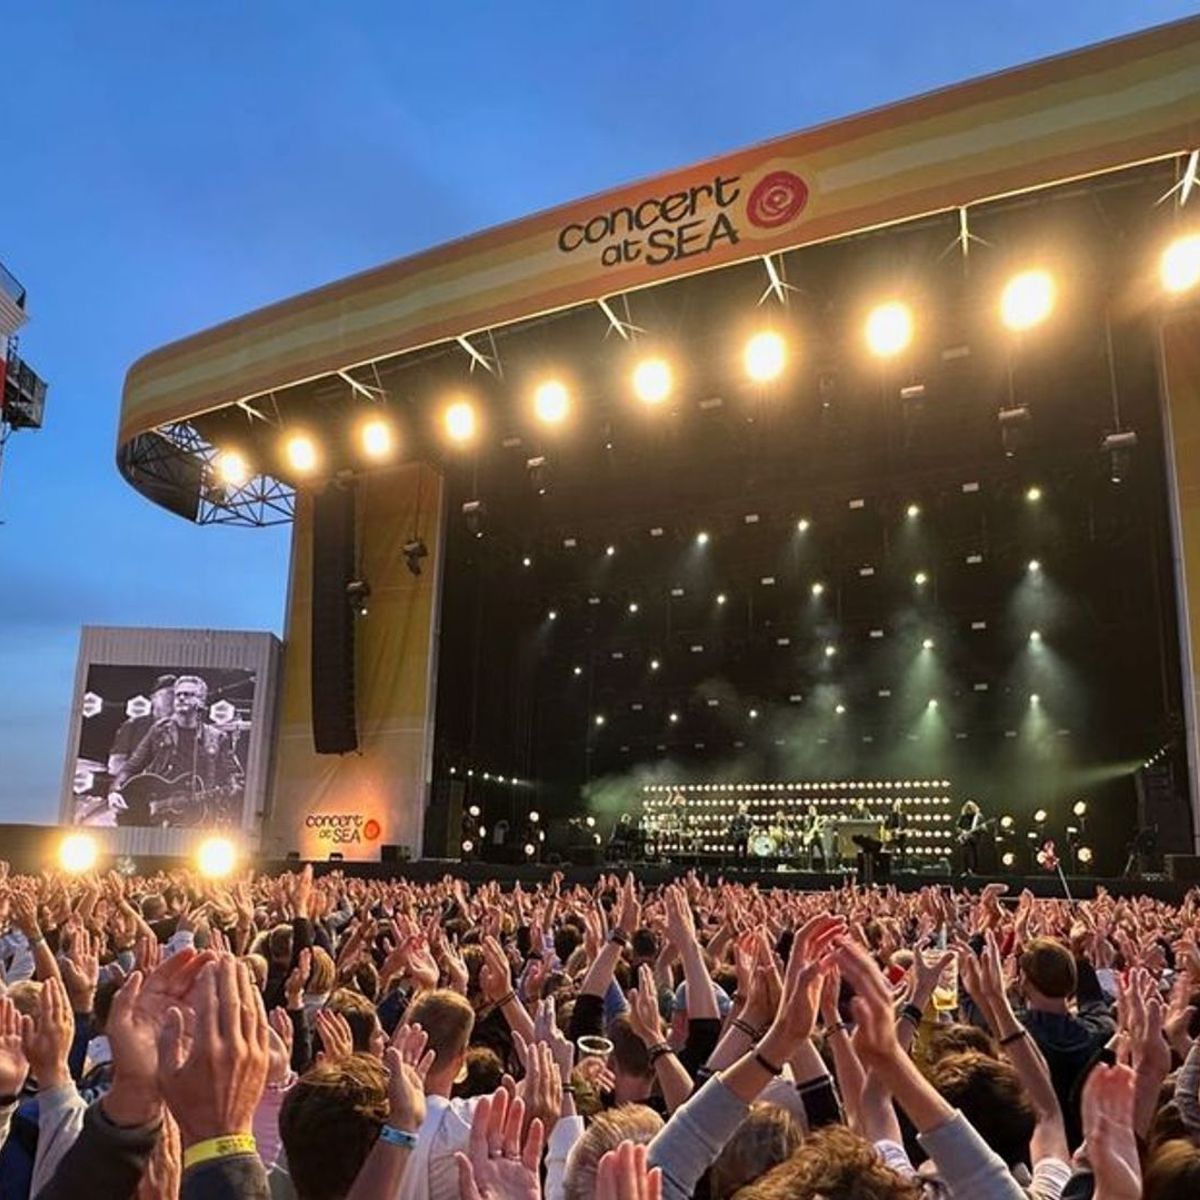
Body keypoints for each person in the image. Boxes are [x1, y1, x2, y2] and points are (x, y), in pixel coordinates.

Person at [112, 675, 243, 825]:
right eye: (178, 695)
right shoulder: (159, 731)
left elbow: (235, 777)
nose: (181, 698)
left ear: (201, 701)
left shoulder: (217, 738)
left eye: (188, 694)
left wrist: (229, 790)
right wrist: (115, 791)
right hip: (158, 814)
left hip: (199, 817)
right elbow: (131, 767)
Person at [104, 674, 176, 779]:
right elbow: (115, 765)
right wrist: (141, 778)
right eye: (169, 693)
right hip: (137, 788)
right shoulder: (133, 725)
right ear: (153, 698)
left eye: (177, 695)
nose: (174, 699)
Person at [957, 800, 984, 874]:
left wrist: (978, 830)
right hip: (965, 839)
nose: (969, 810)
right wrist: (963, 832)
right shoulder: (963, 816)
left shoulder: (978, 817)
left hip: (975, 839)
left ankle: (974, 870)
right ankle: (965, 870)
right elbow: (957, 827)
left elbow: (984, 829)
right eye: (967, 808)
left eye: (970, 808)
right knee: (964, 854)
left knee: (974, 854)